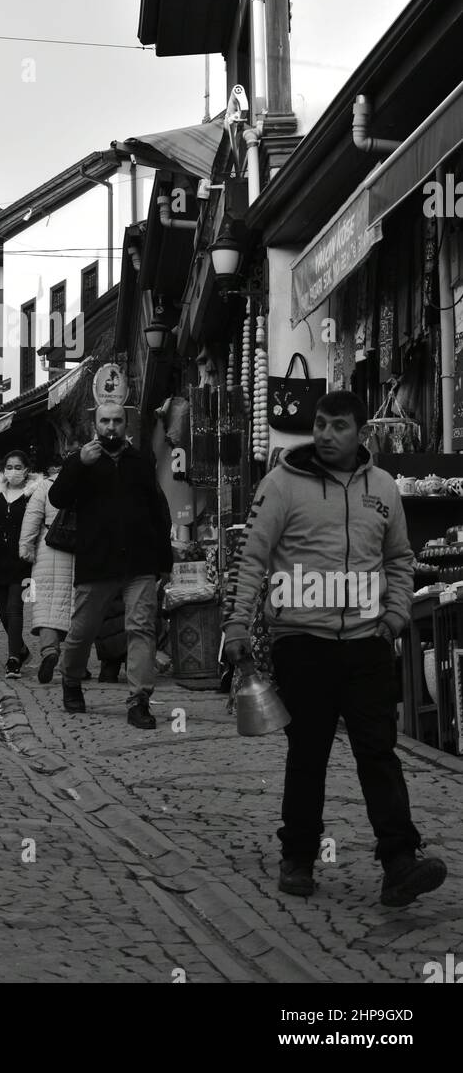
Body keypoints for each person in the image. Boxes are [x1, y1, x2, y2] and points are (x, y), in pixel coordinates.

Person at [222, 389, 447, 908]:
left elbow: (400, 558)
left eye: (337, 426)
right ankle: (298, 858)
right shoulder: (279, 486)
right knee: (309, 753)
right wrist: (236, 629)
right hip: (302, 642)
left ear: (360, 431)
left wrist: (393, 617)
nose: (325, 434)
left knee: (378, 753)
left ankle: (399, 863)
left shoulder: (383, 488)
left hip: (367, 644)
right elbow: (251, 558)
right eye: (320, 424)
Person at [49, 402, 173, 729]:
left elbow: (157, 512)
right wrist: (78, 464)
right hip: (97, 561)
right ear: (96, 424)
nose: (111, 427)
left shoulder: (140, 460)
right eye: (105, 421)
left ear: (126, 423)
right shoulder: (83, 460)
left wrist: (164, 560)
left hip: (139, 561)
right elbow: (58, 498)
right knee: (83, 630)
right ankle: (71, 679)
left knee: (142, 628)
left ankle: (139, 701)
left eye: (117, 420)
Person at [0, 451, 43, 677]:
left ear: (26, 470)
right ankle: (21, 649)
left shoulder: (35, 495)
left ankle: (13, 659)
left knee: (15, 609)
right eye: (9, 466)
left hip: (23, 561)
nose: (13, 471)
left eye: (17, 467)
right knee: (4, 613)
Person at [18, 453, 75, 683]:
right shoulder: (90, 485)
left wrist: (26, 549)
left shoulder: (44, 486)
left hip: (48, 548)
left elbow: (31, 519)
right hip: (80, 551)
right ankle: (74, 660)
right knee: (75, 608)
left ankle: (49, 651)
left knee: (45, 606)